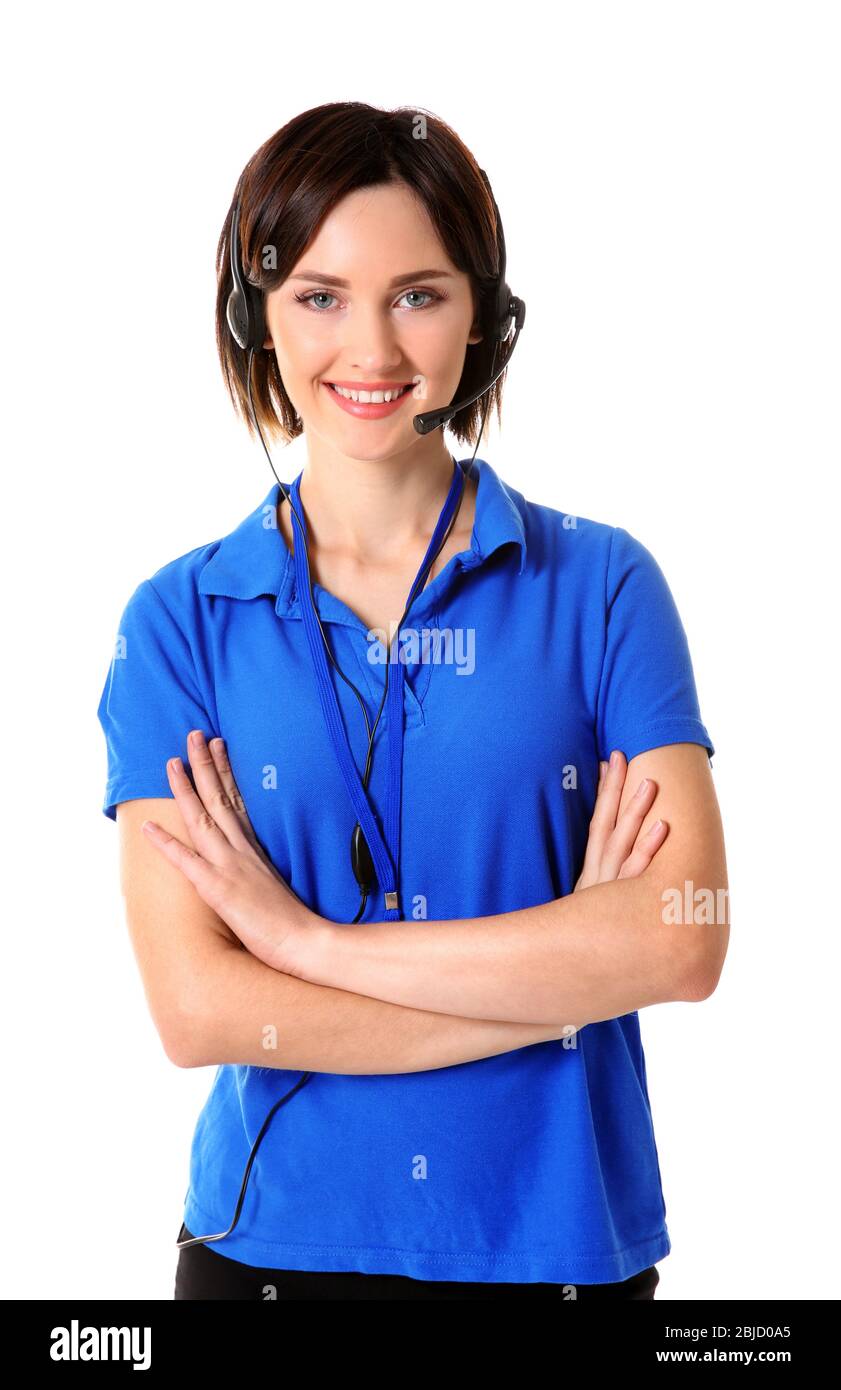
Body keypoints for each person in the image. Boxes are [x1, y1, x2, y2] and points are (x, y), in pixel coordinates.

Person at [96, 101, 728, 1301]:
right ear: (254, 316)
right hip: (268, 1253)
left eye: (419, 294)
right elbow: (195, 1009)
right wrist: (557, 985)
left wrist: (304, 945)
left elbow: (680, 939)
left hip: (557, 1255)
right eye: (320, 295)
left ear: (483, 318)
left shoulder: (603, 587)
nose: (374, 351)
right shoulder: (176, 619)